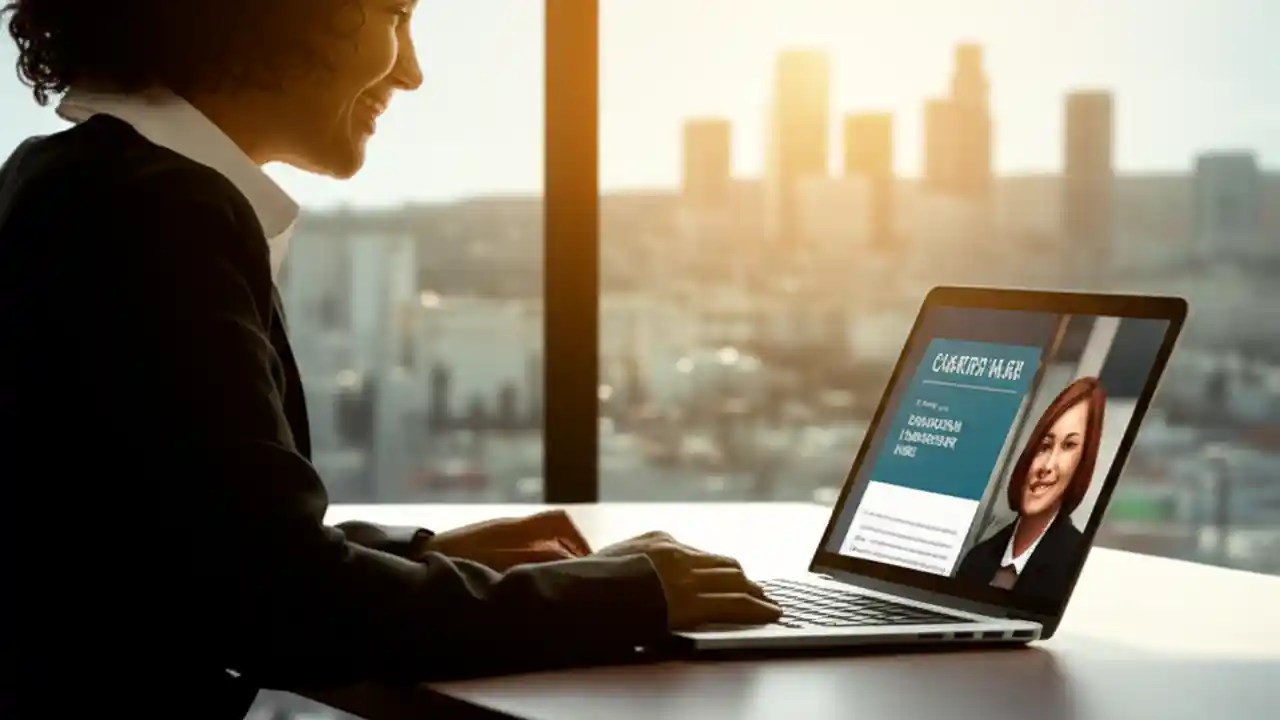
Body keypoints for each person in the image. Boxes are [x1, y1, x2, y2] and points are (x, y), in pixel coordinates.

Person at [0, 2, 780, 716]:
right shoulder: (153, 215)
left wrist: (422, 557)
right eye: (394, 15)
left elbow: (183, 544)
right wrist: (618, 595)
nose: (411, 71)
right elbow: (282, 604)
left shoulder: (76, 181)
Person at [955, 376, 1107, 602]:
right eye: (1044, 446)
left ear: (1083, 462)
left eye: (1068, 446)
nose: (1047, 466)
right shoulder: (977, 558)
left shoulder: (1079, 567)